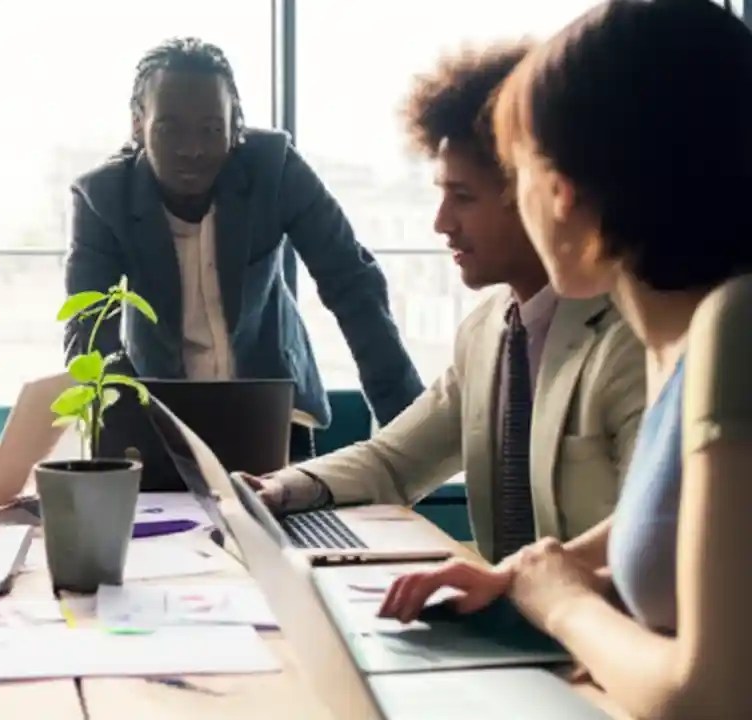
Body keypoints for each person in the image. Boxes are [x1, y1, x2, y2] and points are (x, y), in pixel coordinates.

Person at [379, 2, 752, 717]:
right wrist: (537, 571)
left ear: (564, 191)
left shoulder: (732, 328)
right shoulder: (682, 339)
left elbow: (712, 697)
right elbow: (688, 534)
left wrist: (560, 603)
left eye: (521, 171)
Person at [247, 42, 644, 563]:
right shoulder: (485, 333)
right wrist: (283, 488)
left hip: (591, 630)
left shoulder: (631, 341)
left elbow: (655, 539)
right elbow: (394, 461)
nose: (441, 223)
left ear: (539, 192)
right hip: (510, 624)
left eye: (463, 197)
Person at [65, 37, 423, 438]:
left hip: (274, 416)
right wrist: (129, 431)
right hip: (163, 421)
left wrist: (407, 432)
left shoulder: (274, 168)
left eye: (211, 129)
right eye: (170, 129)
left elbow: (352, 283)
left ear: (236, 123)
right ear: (138, 123)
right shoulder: (102, 198)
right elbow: (90, 330)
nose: (192, 149)